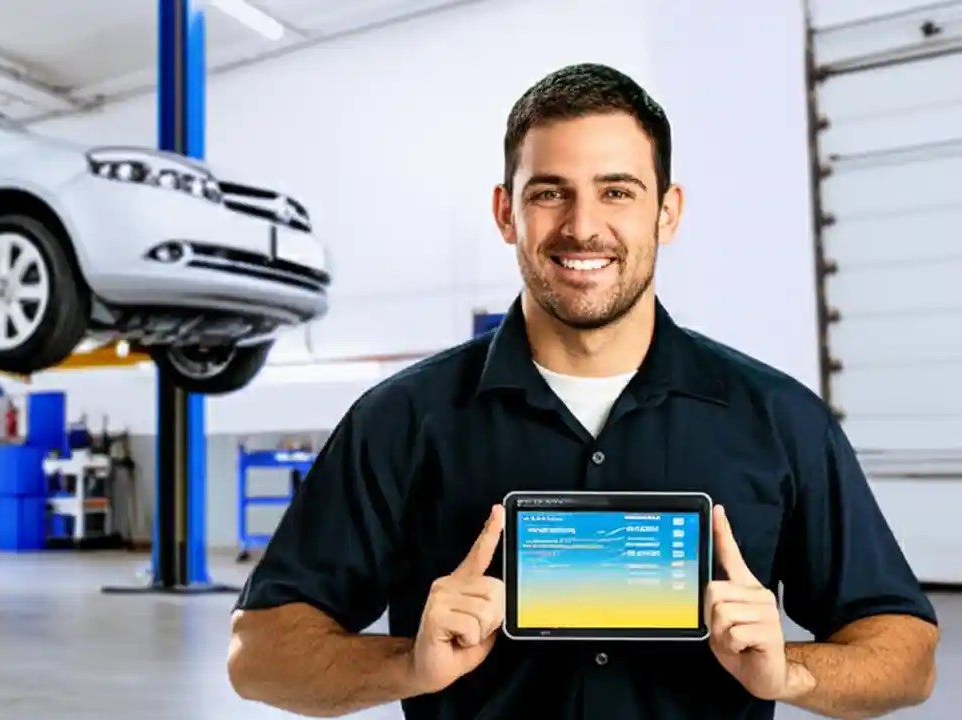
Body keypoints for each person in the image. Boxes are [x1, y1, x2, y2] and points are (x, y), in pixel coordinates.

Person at [225, 63, 939, 720]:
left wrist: (790, 672)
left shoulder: (779, 419)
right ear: (507, 213)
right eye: (549, 193)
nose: (582, 226)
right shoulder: (403, 420)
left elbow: (907, 654)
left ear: (668, 211)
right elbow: (259, 657)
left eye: (617, 191)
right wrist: (406, 664)